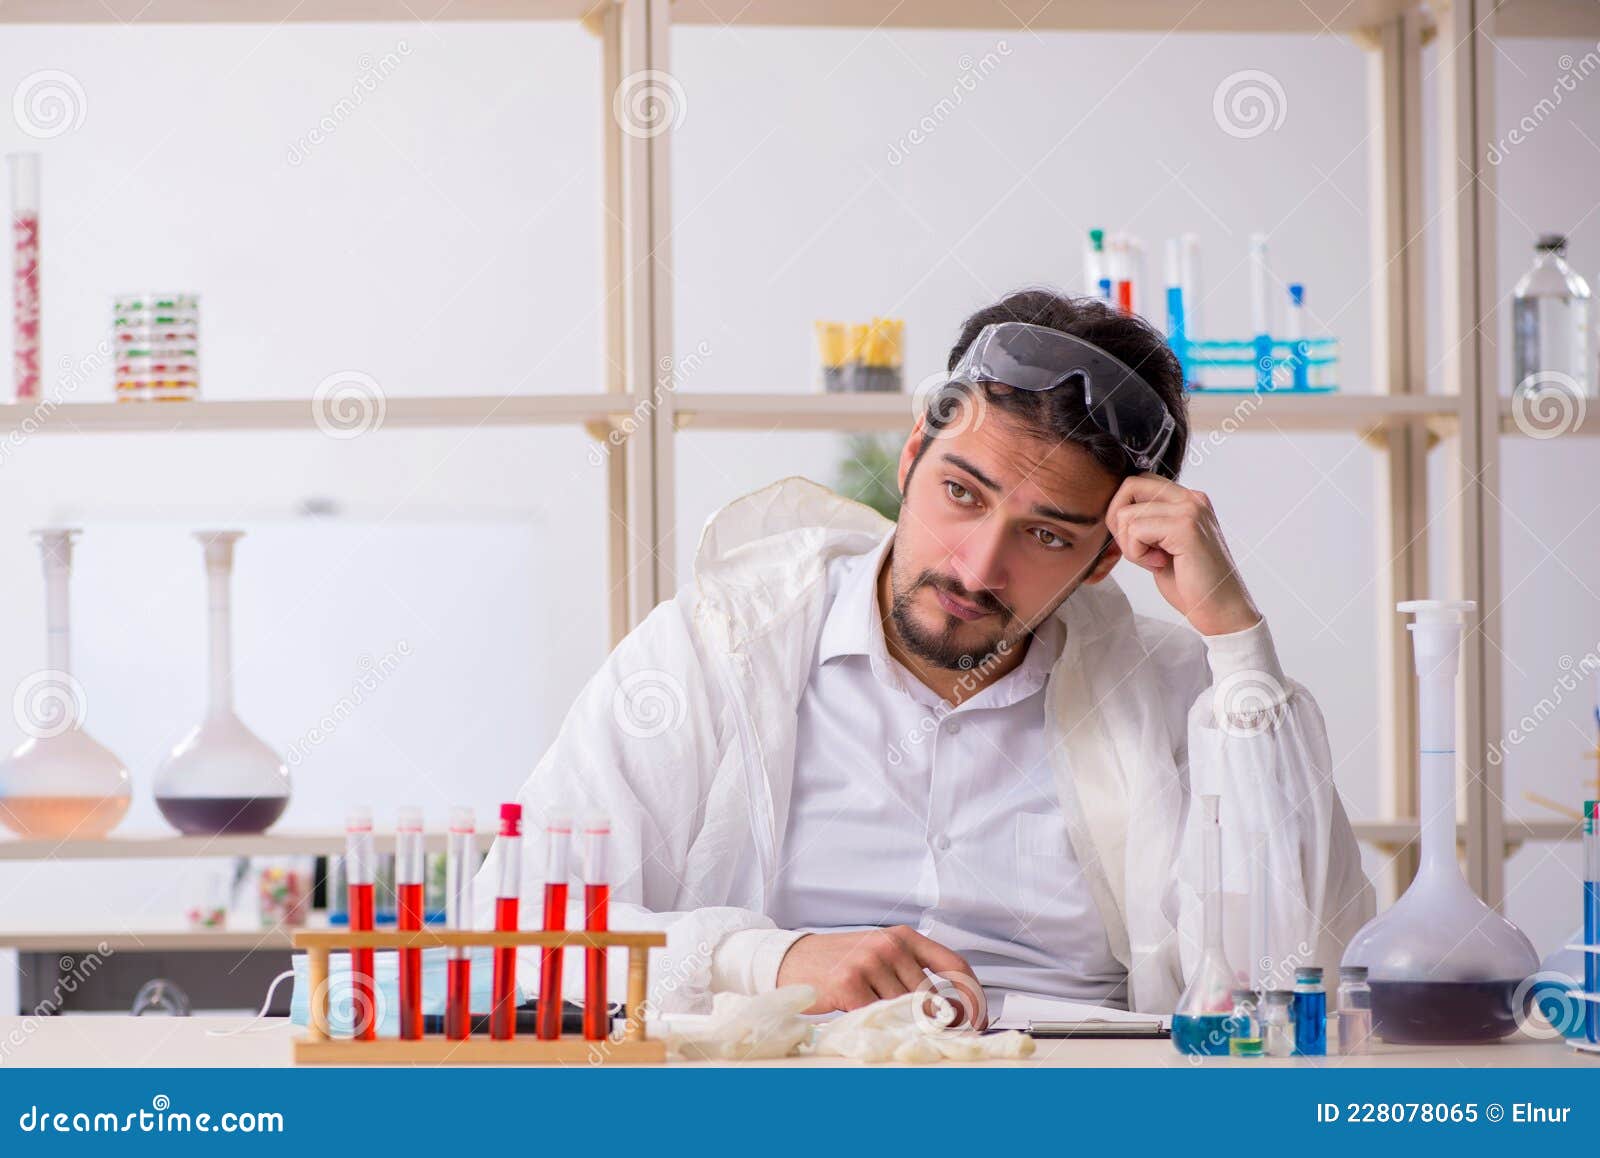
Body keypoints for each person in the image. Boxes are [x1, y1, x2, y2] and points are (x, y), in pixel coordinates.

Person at [475, 287, 1374, 1023]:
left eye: (1047, 537)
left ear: (1108, 558)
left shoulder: (1181, 690)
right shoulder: (716, 647)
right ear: (912, 456)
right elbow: (510, 934)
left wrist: (1238, 642)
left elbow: (1297, 977)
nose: (978, 566)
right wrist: (764, 957)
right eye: (961, 492)